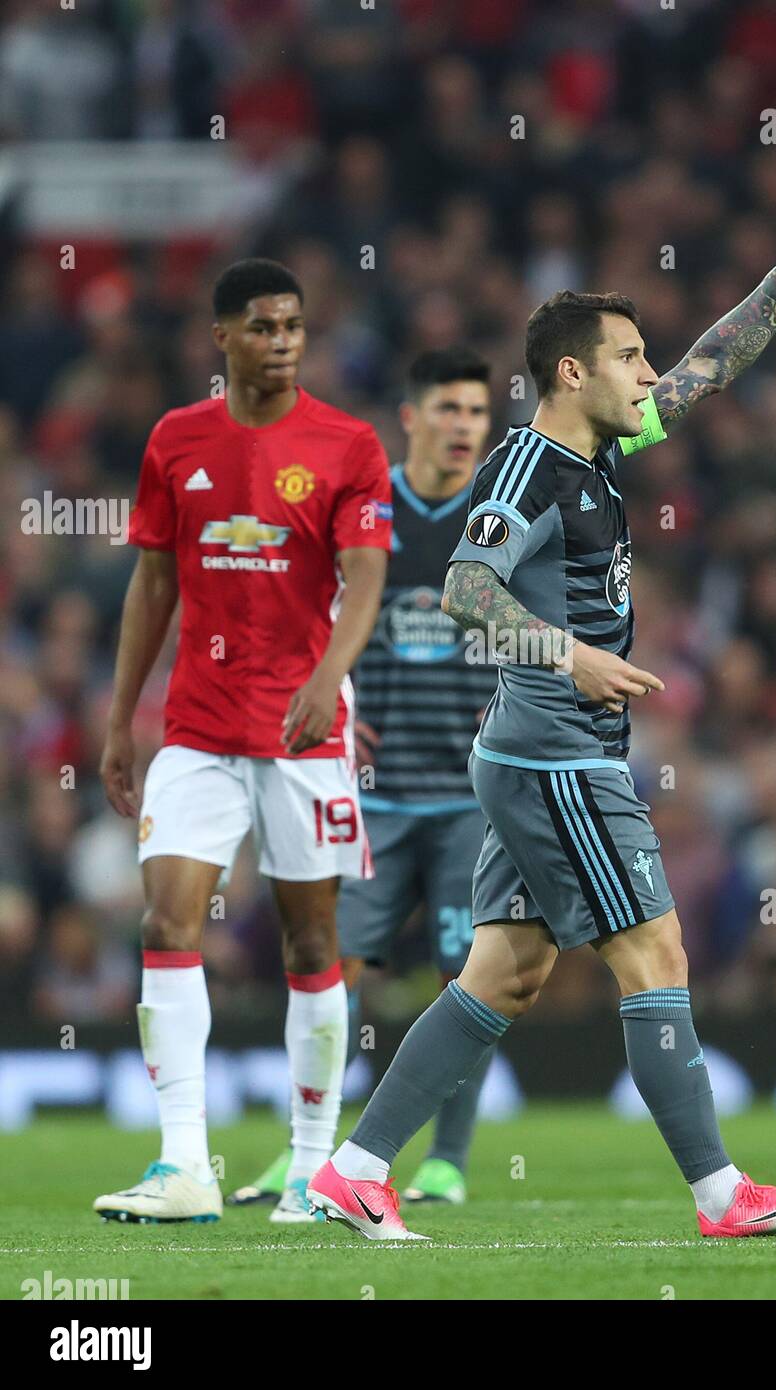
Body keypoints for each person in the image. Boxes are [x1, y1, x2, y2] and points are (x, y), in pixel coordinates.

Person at [307, 219, 776, 1241]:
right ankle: (720, 1195)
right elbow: (467, 587)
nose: (650, 375)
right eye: (629, 358)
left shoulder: (600, 447)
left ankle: (354, 1168)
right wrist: (572, 654)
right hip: (556, 755)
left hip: (534, 755)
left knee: (504, 971)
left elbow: (709, 369)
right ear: (569, 371)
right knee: (655, 951)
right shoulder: (526, 468)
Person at [93, 258, 391, 1224]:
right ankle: (185, 1165)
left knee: (310, 941)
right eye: (263, 327)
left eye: (295, 326)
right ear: (221, 337)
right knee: (166, 924)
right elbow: (151, 586)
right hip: (199, 728)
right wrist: (117, 715)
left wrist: (322, 680)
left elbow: (364, 580)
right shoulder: (177, 440)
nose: (283, 342)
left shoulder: (346, 443)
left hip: (305, 730)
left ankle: (312, 1168)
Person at [229, 346, 499, 1215]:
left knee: (471, 972)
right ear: (411, 417)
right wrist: (333, 689)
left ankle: (446, 1162)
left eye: (477, 412)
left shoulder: (497, 512)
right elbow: (304, 600)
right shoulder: (367, 501)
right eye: (448, 409)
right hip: (372, 791)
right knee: (329, 966)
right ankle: (302, 1152)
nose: (464, 426)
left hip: (467, 796)